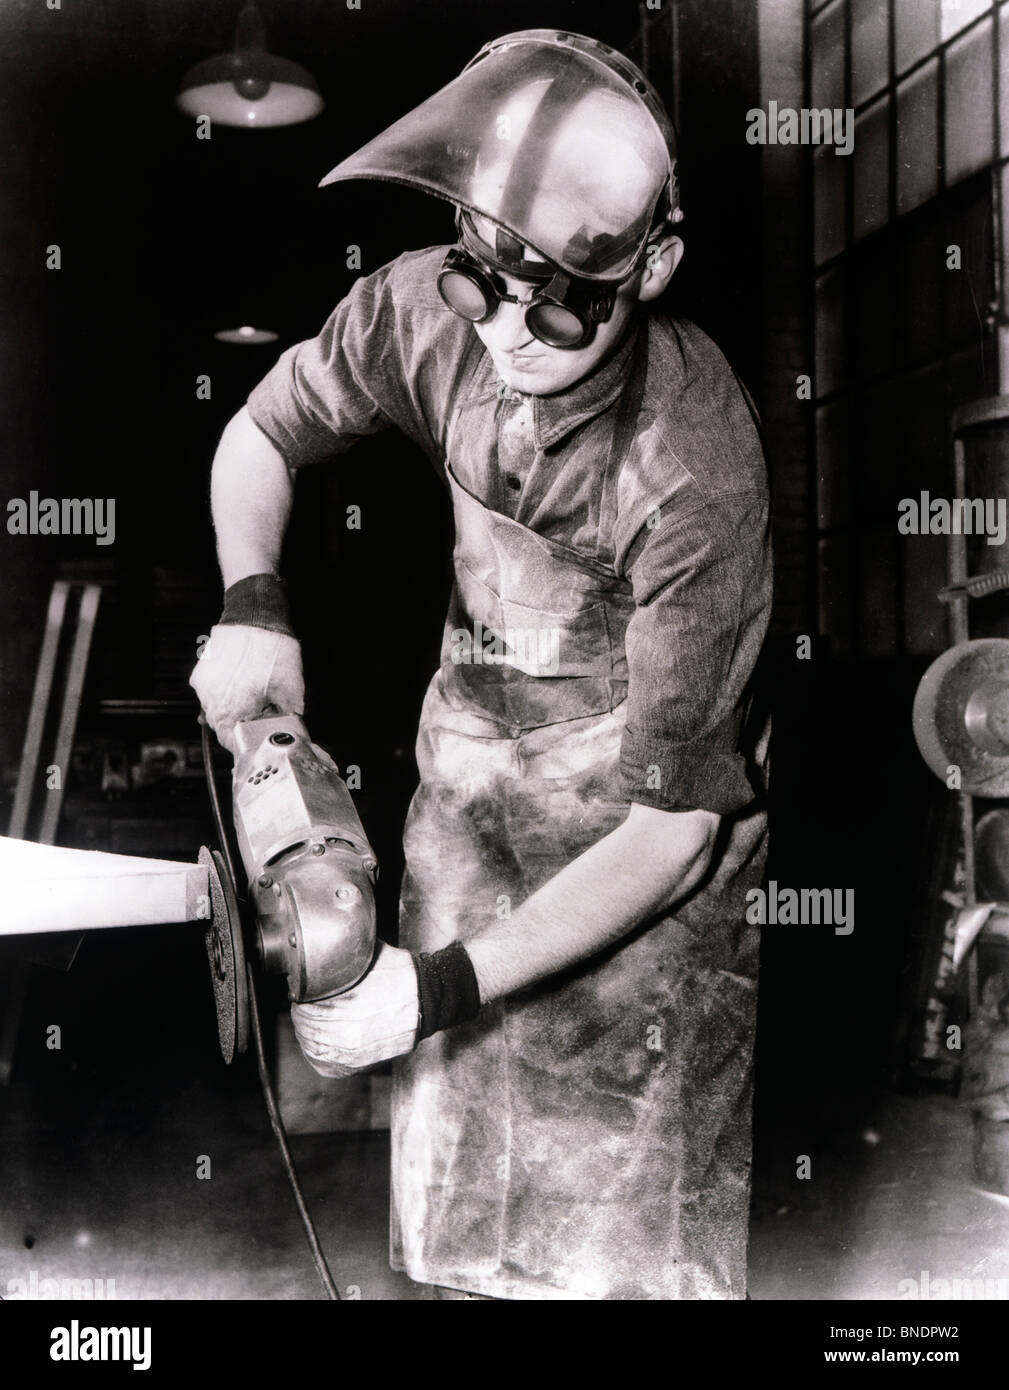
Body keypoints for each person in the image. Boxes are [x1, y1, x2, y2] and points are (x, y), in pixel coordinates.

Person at [191, 29, 771, 1301]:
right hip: (467, 816)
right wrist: (253, 603)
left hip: (637, 885)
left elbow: (674, 829)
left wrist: (436, 989)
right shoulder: (417, 309)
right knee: (462, 1240)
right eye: (481, 283)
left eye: (560, 301)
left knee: (617, 1261)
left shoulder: (693, 469)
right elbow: (258, 436)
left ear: (650, 266)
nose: (509, 336)